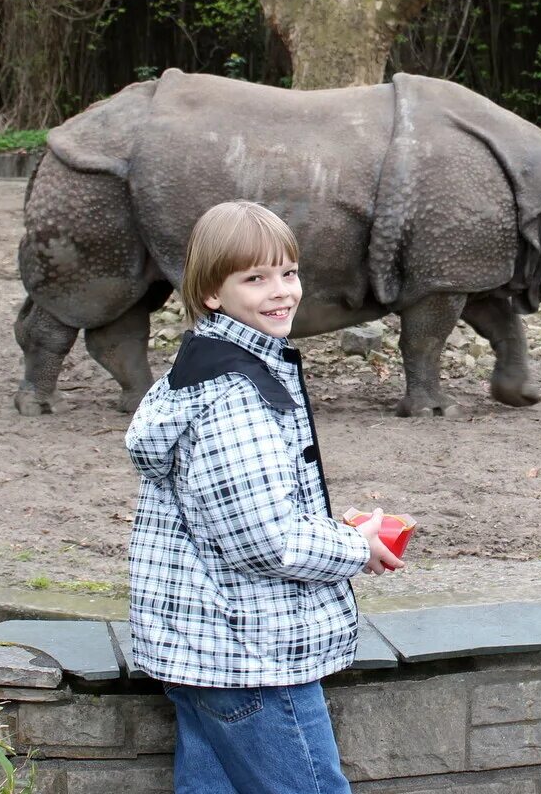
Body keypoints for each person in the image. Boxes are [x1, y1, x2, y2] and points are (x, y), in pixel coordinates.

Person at [125, 200, 405, 794]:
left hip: (205, 648)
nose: (281, 292)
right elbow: (268, 541)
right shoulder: (236, 397)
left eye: (288, 272)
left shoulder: (203, 369)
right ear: (211, 293)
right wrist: (355, 546)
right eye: (255, 278)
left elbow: (243, 509)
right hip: (253, 657)